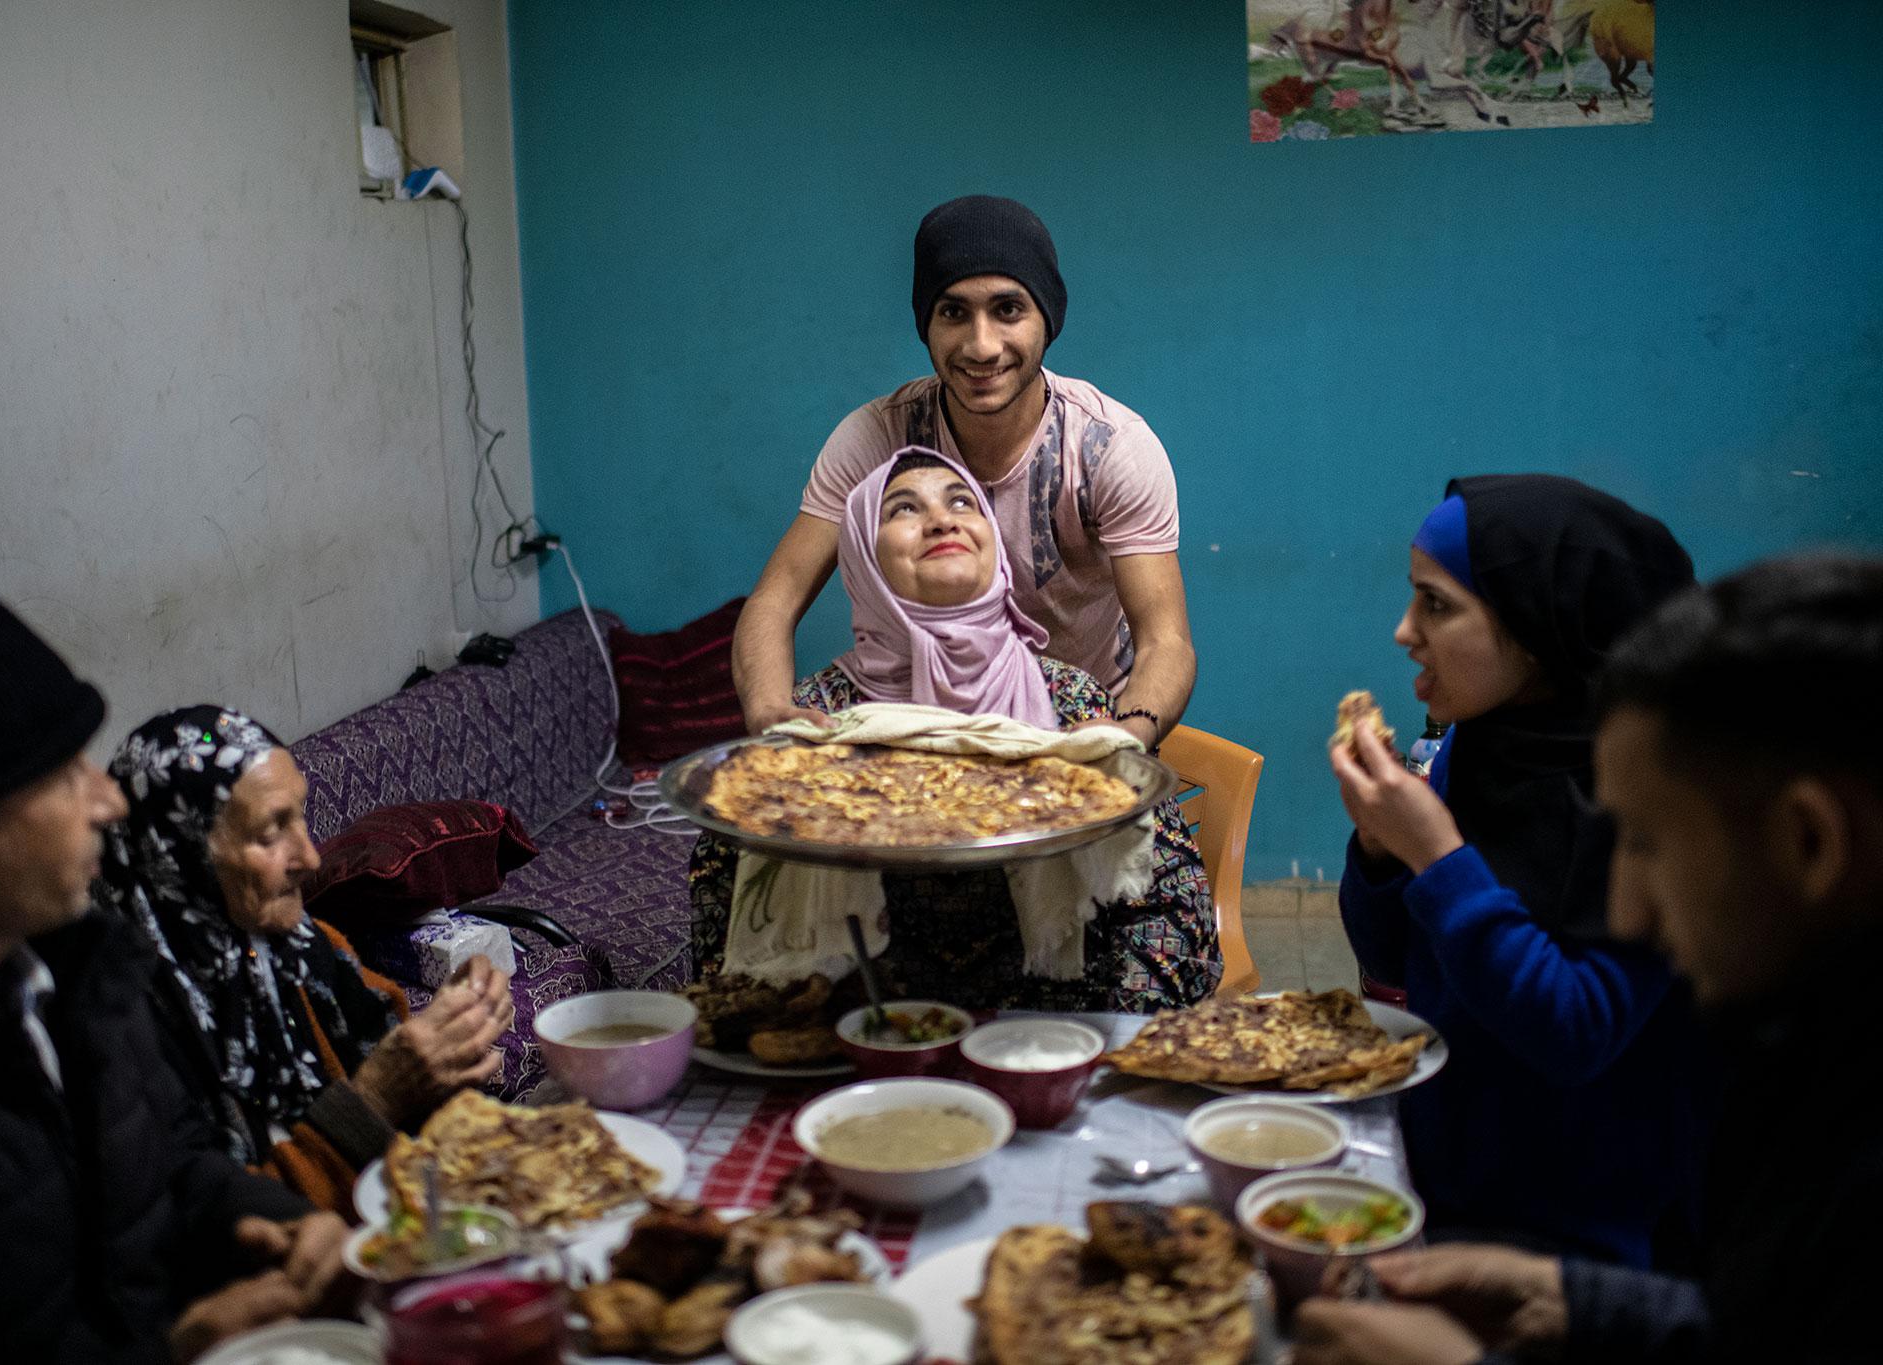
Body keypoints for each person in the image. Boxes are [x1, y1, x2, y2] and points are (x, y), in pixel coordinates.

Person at [1296, 552, 1883, 1365]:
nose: (1629, 912)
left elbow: (1575, 1025)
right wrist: (1574, 1303)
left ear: (1810, 843)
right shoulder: (1797, 1054)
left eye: (1646, 842)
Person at [0, 580, 349, 1363]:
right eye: (67, 773)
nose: (109, 799)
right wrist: (173, 1352)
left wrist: (271, 1217)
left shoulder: (83, 983)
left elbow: (166, 1164)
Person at [1328, 475, 1709, 1267]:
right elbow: (1394, 958)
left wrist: (1437, 854)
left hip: (1584, 1237)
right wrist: (1377, 846)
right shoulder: (1478, 745)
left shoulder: (1644, 797)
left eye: (1437, 604)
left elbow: (1578, 1032)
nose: (1404, 631)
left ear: (1537, 630)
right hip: (1449, 1184)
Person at [692, 447, 1220, 1010]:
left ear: (993, 543)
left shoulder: (1072, 708)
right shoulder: (817, 724)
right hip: (864, 1032)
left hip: (1053, 1028)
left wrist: (1095, 1043)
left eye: (962, 502)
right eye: (902, 510)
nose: (942, 520)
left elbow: (1173, 914)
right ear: (862, 559)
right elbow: (725, 912)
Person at [734, 194, 1195, 751]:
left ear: (1047, 320)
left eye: (1008, 310)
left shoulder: (1109, 448)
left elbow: (1164, 638)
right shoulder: (876, 437)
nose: (982, 346)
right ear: (925, 325)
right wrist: (768, 712)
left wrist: (1125, 733)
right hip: (919, 723)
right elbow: (775, 597)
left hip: (1079, 718)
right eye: (953, 312)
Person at [98, 705, 515, 1217]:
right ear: (180, 856)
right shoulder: (124, 1028)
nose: (311, 857)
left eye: (301, 815)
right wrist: (372, 1103)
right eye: (272, 832)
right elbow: (216, 1240)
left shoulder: (307, 949)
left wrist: (454, 1038)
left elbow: (414, 1097)